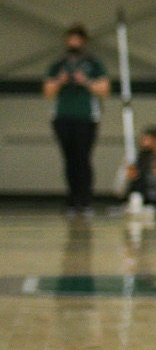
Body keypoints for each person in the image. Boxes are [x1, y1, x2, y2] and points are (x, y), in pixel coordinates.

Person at [43, 24, 111, 214]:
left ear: (84, 41)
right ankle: (72, 199)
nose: (73, 42)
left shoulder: (93, 63)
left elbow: (105, 90)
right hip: (63, 117)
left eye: (77, 39)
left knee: (83, 158)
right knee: (69, 158)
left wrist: (86, 81)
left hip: (86, 117)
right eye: (71, 38)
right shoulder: (59, 64)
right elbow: (47, 92)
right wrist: (60, 81)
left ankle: (85, 199)